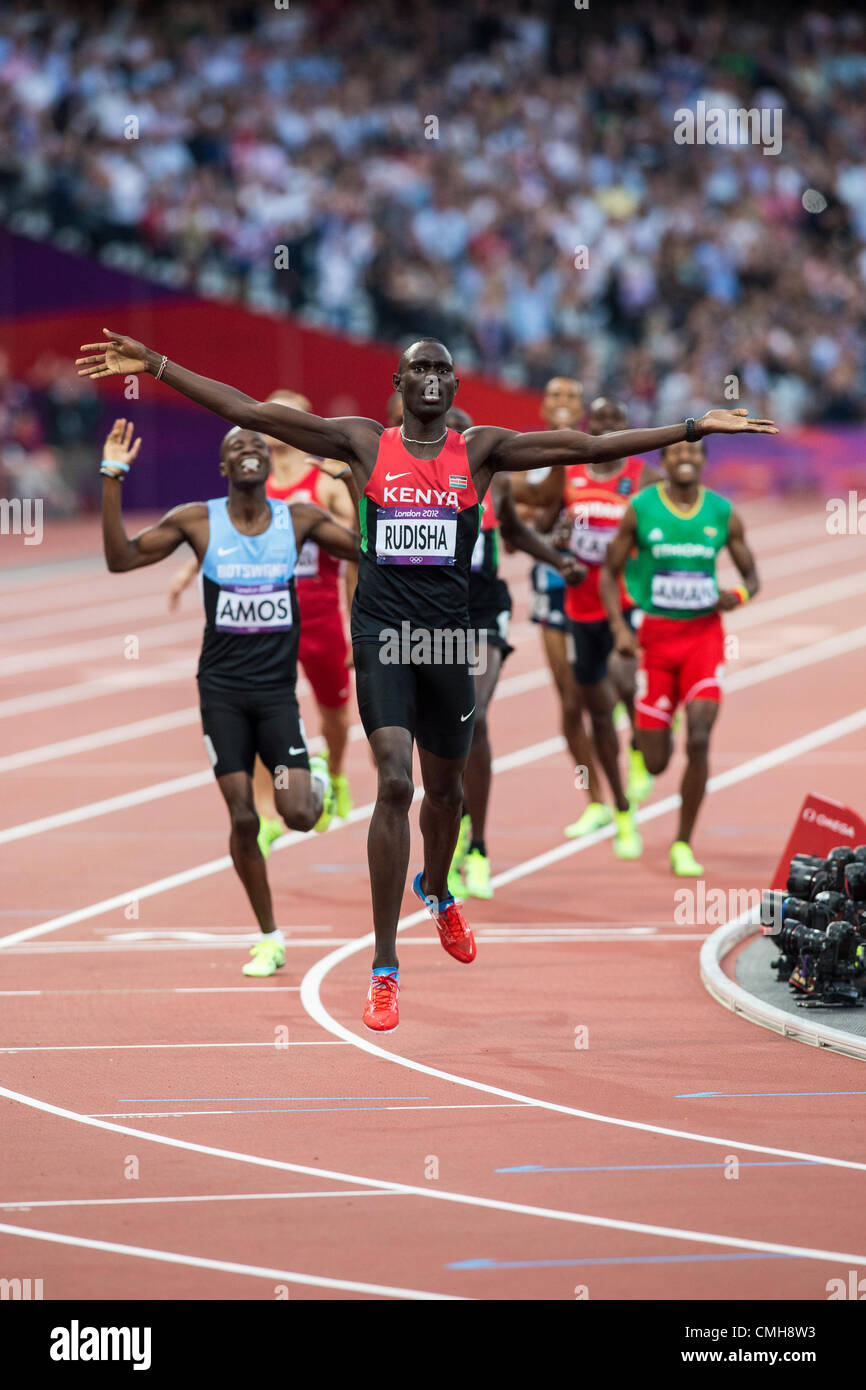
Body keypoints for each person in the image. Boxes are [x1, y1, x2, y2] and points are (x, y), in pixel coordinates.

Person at [78, 329, 776, 1028]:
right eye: (421, 369)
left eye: (444, 368)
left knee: (445, 792)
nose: (434, 378)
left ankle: (438, 891)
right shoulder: (358, 442)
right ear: (400, 383)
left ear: (455, 387)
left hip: (448, 638)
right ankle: (385, 967)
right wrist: (160, 364)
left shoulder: (481, 451)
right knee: (394, 783)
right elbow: (255, 411)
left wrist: (692, 426)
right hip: (382, 635)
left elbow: (587, 448)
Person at [98, 415, 359, 977]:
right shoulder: (198, 521)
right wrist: (112, 477)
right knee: (244, 820)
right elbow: (120, 558)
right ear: (223, 467)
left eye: (257, 443)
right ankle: (269, 936)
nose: (249, 447)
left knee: (297, 815)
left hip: (275, 697)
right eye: (236, 443)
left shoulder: (300, 519)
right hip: (220, 694)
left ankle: (312, 774)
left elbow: (371, 551)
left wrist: (355, 481)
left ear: (267, 464)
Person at [170, 389, 357, 852]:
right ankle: (266, 809)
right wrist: (188, 570)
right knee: (257, 712)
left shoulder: (324, 479)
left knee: (334, 712)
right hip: (269, 621)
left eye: (289, 416)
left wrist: (355, 616)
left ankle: (332, 771)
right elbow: (222, 533)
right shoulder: (257, 477)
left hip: (320, 617)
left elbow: (357, 545)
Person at [442, 406, 585, 900]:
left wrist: (558, 559)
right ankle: (449, 830)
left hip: (482, 611)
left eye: (466, 440)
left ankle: (477, 845)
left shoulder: (492, 482)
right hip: (427, 615)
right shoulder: (409, 486)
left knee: (473, 716)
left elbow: (516, 534)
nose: (458, 448)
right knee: (432, 731)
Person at [601, 437, 760, 876]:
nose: (685, 457)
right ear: (665, 461)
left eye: (693, 453)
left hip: (704, 637)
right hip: (655, 638)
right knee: (656, 760)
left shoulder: (722, 513)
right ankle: (650, 727)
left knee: (700, 738)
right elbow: (610, 572)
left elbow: (753, 576)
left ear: (704, 462)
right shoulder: (641, 508)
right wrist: (619, 629)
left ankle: (683, 843)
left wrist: (739, 595)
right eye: (677, 452)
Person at [521, 396, 660, 857]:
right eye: (596, 421)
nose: (603, 428)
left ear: (625, 427)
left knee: (623, 685)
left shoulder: (641, 478)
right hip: (579, 606)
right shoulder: (570, 470)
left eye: (612, 421)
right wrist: (558, 535)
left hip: (624, 604)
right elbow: (543, 522)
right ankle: (620, 808)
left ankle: (641, 744)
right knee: (595, 711)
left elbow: (659, 536)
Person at [510, 376, 605, 828]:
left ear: (582, 405)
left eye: (572, 395)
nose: (564, 402)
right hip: (551, 586)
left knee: (608, 692)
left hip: (606, 590)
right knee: (569, 701)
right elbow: (515, 531)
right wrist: (543, 520)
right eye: (556, 396)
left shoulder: (600, 456)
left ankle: (640, 759)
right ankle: (596, 801)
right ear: (544, 407)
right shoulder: (527, 460)